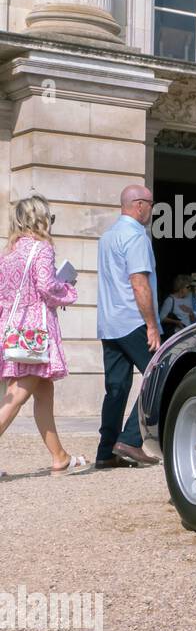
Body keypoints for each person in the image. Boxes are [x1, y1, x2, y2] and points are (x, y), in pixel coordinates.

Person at [0, 195, 91, 476]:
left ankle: (59, 457)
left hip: (12, 328)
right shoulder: (42, 248)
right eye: (49, 218)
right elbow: (47, 286)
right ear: (39, 219)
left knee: (44, 393)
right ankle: (60, 457)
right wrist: (68, 289)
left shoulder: (9, 252)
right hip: (34, 332)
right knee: (17, 395)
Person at [96, 183, 161, 468]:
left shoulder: (108, 237)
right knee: (159, 374)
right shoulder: (136, 237)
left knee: (116, 388)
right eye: (151, 204)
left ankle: (106, 451)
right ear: (139, 205)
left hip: (109, 322)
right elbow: (139, 283)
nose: (152, 210)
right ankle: (131, 440)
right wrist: (151, 325)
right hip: (133, 320)